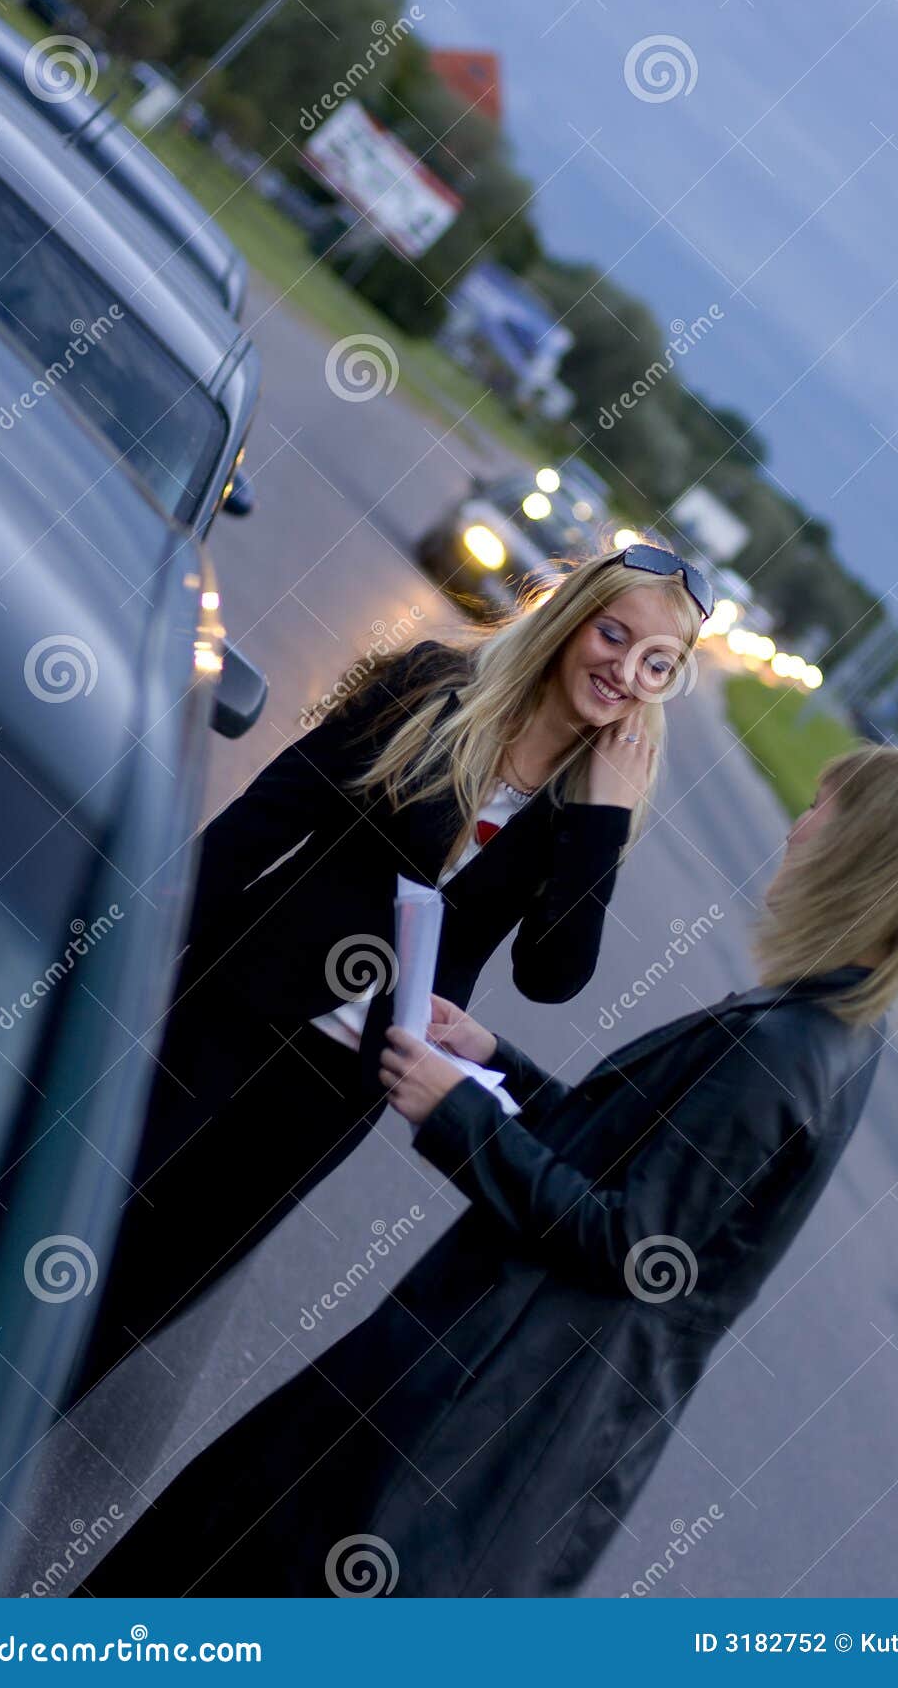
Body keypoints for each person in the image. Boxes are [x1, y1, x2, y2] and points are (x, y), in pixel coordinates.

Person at [79, 743, 898, 1597]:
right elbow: (626, 1154)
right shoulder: (826, 1032)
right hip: (484, 1400)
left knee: (214, 1570)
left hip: (471, 1414)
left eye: (822, 813)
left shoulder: (783, 1053)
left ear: (866, 856)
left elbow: (628, 1240)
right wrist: (492, 1060)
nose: (797, 828)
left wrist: (458, 1110)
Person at [74, 545, 711, 1397]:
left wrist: (601, 820)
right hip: (232, 997)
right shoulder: (434, 684)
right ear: (571, 618)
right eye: (611, 633)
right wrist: (132, 938)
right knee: (64, 1201)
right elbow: (267, 815)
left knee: (154, 1281)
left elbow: (550, 975)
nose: (624, 668)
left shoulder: (591, 803)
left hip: (337, 1084)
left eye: (655, 661)